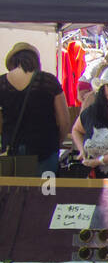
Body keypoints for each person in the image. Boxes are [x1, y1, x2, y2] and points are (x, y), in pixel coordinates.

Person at [0, 43, 70, 175]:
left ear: (12, 61)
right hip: (45, 148)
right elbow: (64, 121)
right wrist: (56, 142)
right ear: (35, 60)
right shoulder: (48, 80)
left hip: (12, 149)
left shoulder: (2, 82)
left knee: (14, 193)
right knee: (45, 193)